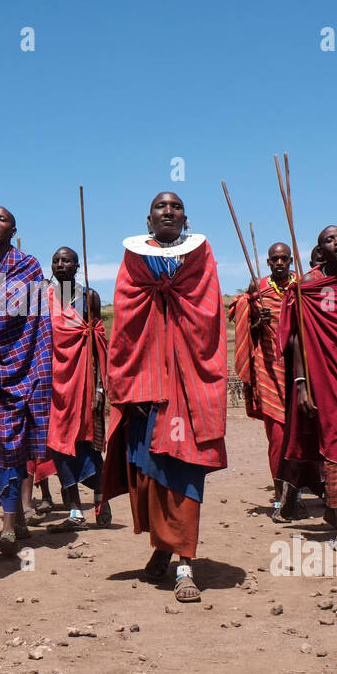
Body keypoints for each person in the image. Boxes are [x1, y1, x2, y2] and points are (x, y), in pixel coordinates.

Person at [103, 193, 227, 602]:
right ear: (149, 217)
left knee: (183, 469)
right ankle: (161, 546)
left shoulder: (200, 254)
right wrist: (129, 383)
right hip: (147, 385)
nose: (168, 211)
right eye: (160, 207)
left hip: (189, 381)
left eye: (175, 207)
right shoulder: (134, 259)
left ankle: (184, 563)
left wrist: (172, 296)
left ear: (186, 218)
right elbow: (124, 318)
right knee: (148, 473)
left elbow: (208, 310)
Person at [279, 225, 337, 550]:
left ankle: (336, 511)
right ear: (320, 250)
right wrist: (302, 383)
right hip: (325, 379)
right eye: (329, 240)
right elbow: (297, 337)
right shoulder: (308, 285)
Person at [0, 206, 53, 554]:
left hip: (20, 364)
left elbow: (37, 318)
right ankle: (17, 518)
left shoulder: (28, 266)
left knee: (10, 441)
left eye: (2, 219)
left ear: (13, 228)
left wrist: (37, 363)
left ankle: (9, 522)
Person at [43, 246, 109, 531]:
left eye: (66, 260)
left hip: (82, 381)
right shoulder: (42, 299)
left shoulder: (88, 297)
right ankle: (74, 511)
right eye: (56, 260)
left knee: (86, 441)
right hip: (52, 383)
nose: (60, 264)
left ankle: (100, 497)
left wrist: (99, 388)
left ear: (77, 265)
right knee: (57, 446)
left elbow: (98, 344)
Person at [228, 242, 295, 519]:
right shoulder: (258, 289)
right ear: (268, 262)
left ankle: (298, 494)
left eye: (283, 258)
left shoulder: (301, 286)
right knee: (278, 438)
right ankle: (280, 498)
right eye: (274, 259)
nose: (279, 263)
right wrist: (258, 321)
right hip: (269, 370)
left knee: (301, 438)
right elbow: (246, 328)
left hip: (298, 371)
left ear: (290, 260)